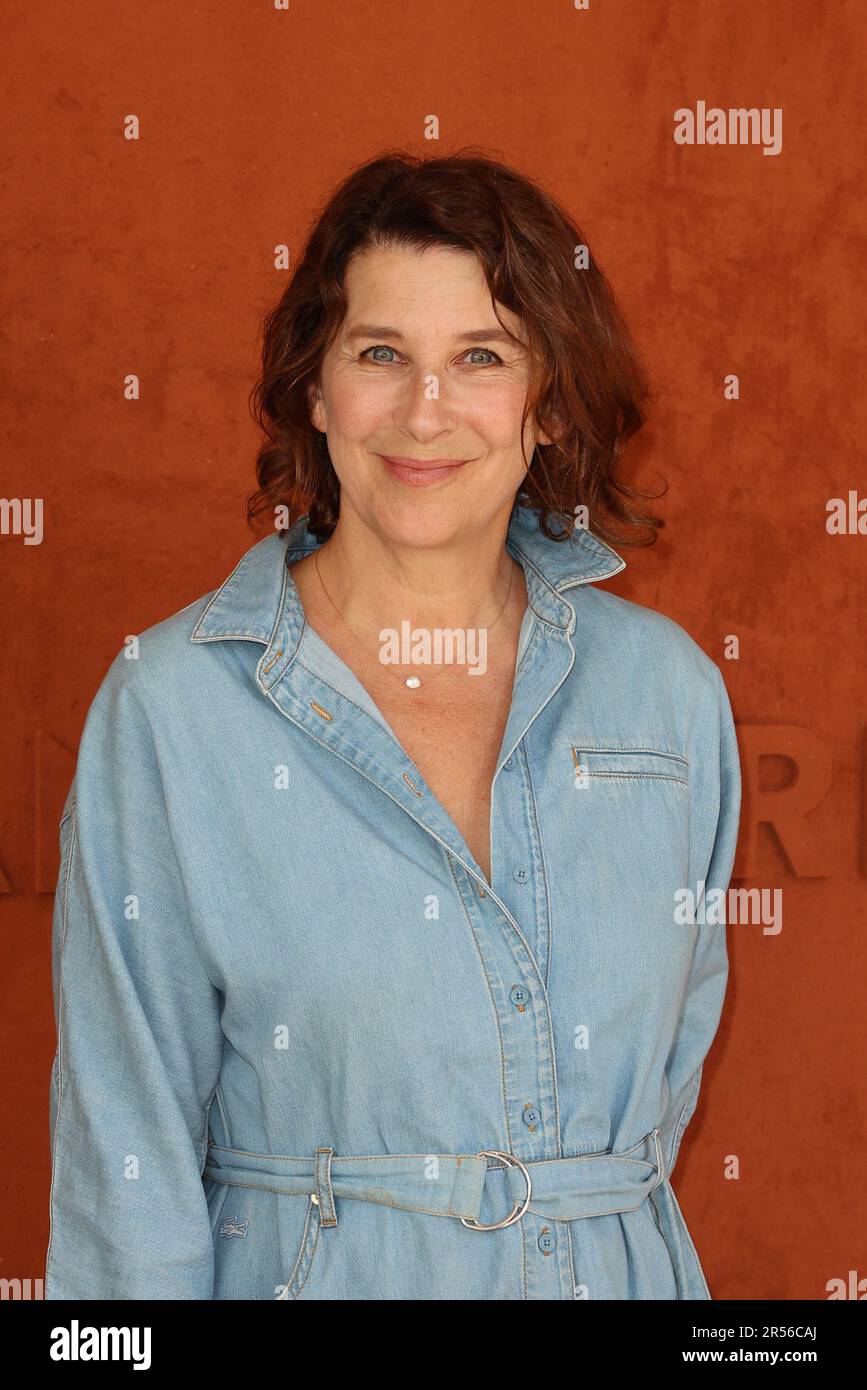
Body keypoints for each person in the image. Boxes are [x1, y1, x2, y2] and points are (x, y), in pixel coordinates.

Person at [45, 151, 741, 1300]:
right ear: (315, 390)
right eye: (381, 354)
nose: (426, 411)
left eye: (481, 357)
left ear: (550, 403)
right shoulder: (170, 712)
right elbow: (127, 1167)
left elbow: (653, 1107)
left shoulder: (666, 695)